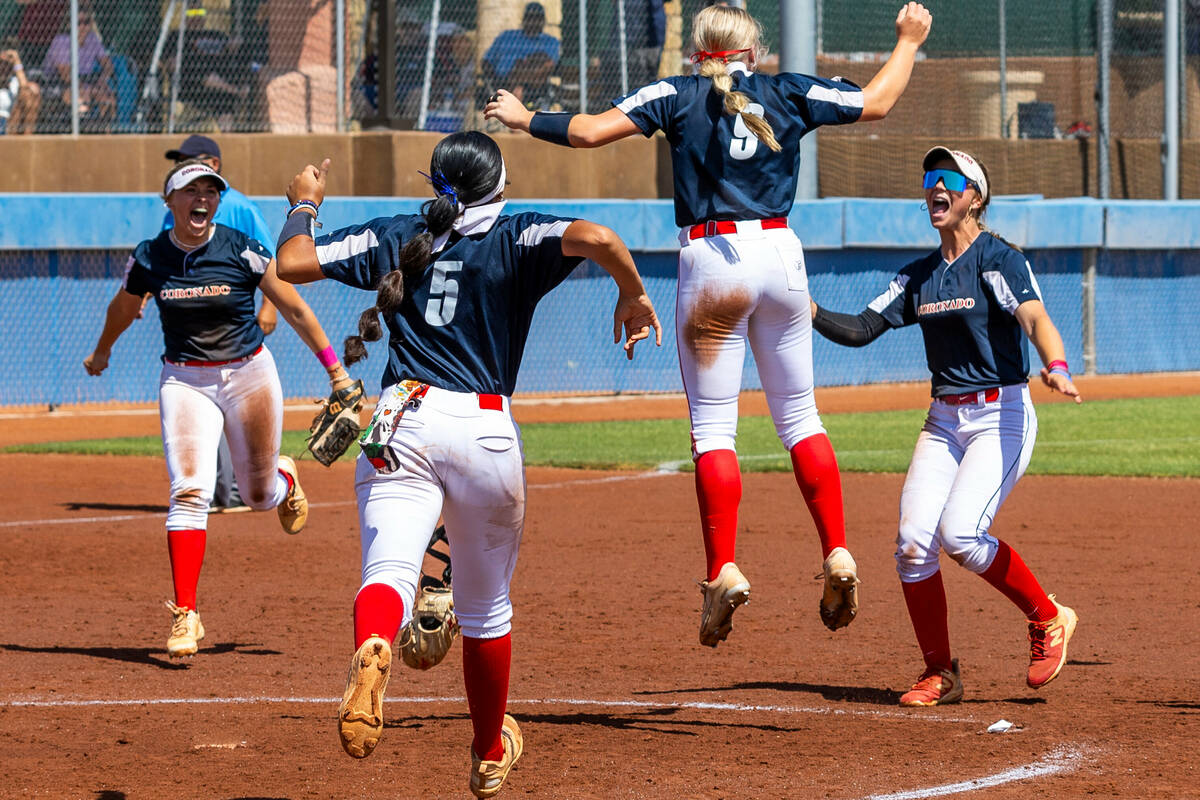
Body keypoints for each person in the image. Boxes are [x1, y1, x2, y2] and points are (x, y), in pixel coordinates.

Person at [486, 2, 933, 647]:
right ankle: (836, 549)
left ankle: (722, 568)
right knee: (802, 418)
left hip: (712, 257)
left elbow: (586, 132)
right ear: (753, 52)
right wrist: (908, 40)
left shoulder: (676, 92)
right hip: (780, 254)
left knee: (713, 429)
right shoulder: (787, 89)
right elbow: (878, 102)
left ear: (700, 51)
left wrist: (526, 118)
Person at [274, 131, 661, 797]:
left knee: (389, 573)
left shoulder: (399, 233)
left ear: (436, 184)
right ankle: (487, 752)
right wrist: (631, 292)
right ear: (500, 186)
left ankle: (374, 649)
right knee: (485, 612)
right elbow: (600, 236)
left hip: (399, 418)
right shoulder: (518, 234)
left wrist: (305, 204)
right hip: (481, 424)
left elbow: (293, 262)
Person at [808, 147, 1081, 706]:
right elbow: (862, 327)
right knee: (912, 546)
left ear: (974, 197)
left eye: (947, 180)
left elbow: (1035, 317)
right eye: (928, 177)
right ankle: (940, 672)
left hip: (999, 414)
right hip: (944, 420)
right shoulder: (919, 276)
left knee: (960, 535)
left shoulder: (997, 260)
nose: (933, 186)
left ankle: (1049, 618)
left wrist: (1055, 366)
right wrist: (805, 310)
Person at [83, 159, 354, 660]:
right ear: (171, 202)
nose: (203, 197)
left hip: (249, 375)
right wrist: (102, 352)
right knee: (189, 491)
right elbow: (122, 308)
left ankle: (284, 481)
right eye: (191, 190)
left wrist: (335, 371)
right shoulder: (150, 256)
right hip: (184, 379)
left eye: (211, 190)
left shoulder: (240, 247)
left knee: (255, 495)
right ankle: (186, 613)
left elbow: (293, 306)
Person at [161, 135, 278, 512]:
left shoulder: (240, 208)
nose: (180, 166)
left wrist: (270, 307)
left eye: (188, 160)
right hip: (191, 332)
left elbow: (269, 262)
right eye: (178, 163)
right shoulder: (176, 205)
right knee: (203, 410)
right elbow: (164, 258)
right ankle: (212, 490)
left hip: (235, 327)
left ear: (213, 162)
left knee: (234, 406)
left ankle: (231, 489)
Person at [41, 6, 115, 130]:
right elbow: (66, 76)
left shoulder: (92, 39)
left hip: (87, 81)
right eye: (78, 23)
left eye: (86, 22)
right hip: (56, 83)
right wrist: (90, 89)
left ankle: (105, 134)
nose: (83, 26)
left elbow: (108, 66)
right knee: (81, 98)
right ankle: (81, 133)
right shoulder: (61, 41)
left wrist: (102, 80)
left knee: (108, 98)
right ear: (69, 24)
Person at [481, 2, 560, 107]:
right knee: (521, 67)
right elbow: (486, 61)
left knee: (534, 64)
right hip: (502, 81)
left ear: (543, 21)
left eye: (537, 18)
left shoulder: (550, 41)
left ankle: (517, 91)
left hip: (533, 84)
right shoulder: (507, 36)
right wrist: (494, 81)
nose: (533, 22)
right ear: (524, 19)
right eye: (530, 17)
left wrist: (526, 67)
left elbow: (549, 64)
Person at [0, 46, 40, 134]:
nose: (3, 68)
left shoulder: (14, 81)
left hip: (10, 124)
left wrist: (16, 61)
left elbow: (25, 89)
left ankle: (27, 140)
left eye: (6, 64)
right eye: (1, 64)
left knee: (30, 91)